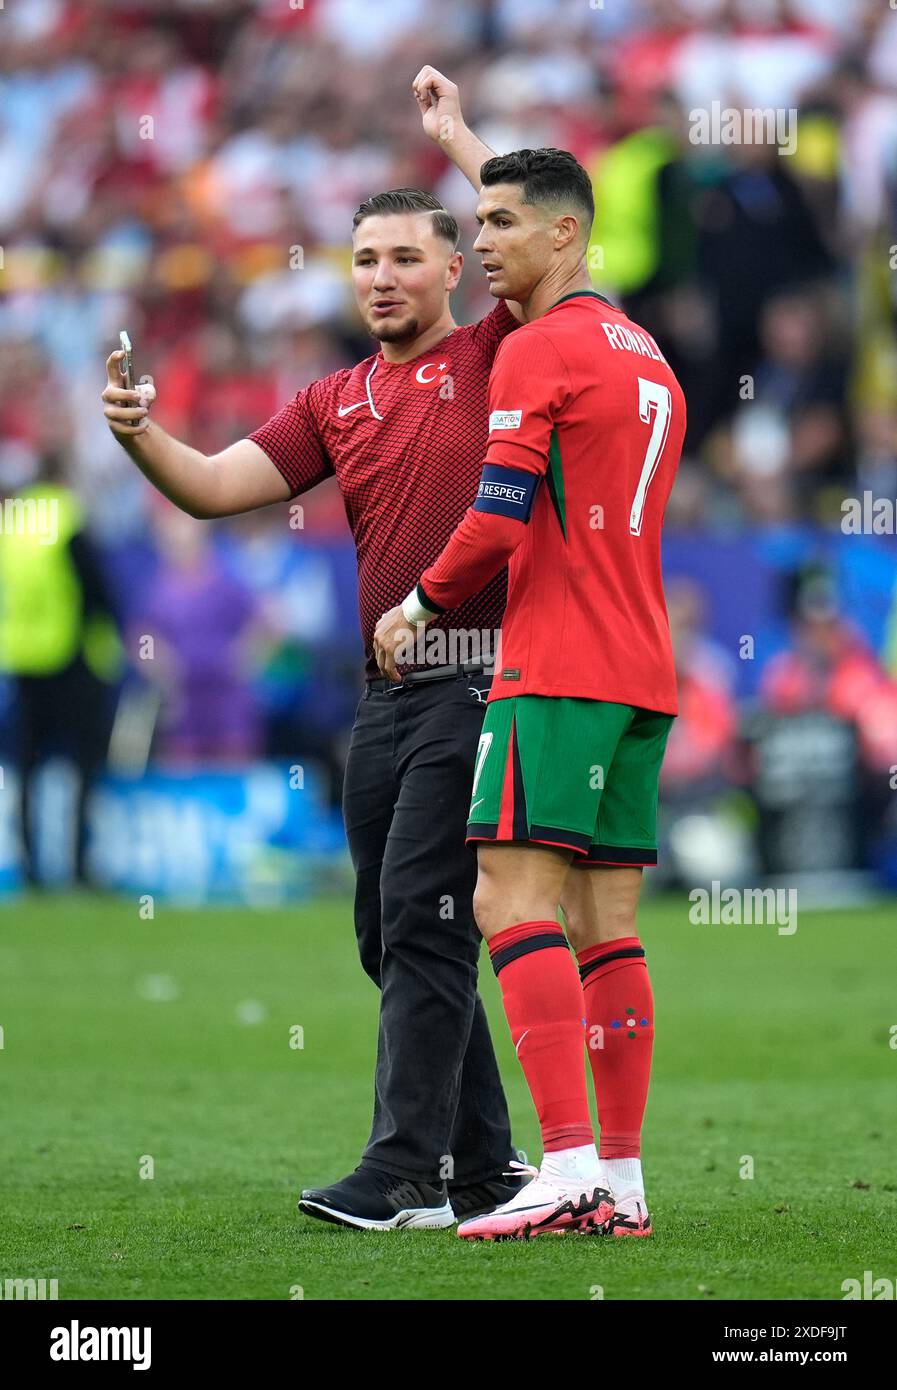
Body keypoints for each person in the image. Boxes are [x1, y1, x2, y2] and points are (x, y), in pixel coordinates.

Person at [100, 74, 533, 1232]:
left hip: (478, 670)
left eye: (405, 257)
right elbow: (212, 489)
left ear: (453, 270)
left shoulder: (495, 353)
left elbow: (535, 249)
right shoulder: (337, 398)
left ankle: (402, 1174)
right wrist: (144, 436)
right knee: (390, 932)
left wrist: (459, 143)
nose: (382, 277)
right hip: (385, 694)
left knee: (422, 911)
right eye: (364, 261)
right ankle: (487, 1170)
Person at [376, 141, 686, 1240]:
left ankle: (559, 1170)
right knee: (607, 929)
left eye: (499, 225)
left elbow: (499, 516)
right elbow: (543, 191)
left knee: (507, 902)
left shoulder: (537, 353)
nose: (482, 245)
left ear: (562, 234)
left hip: (554, 666)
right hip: (643, 671)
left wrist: (416, 609)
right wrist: (470, 141)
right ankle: (624, 1180)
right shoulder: (643, 352)